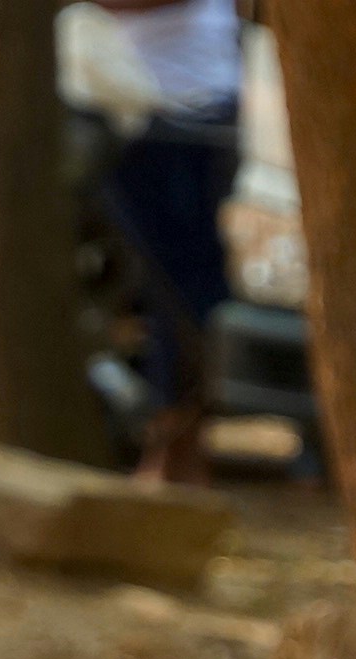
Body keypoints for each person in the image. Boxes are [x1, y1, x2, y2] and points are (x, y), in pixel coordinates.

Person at [92, 0, 241, 486]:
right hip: (140, 114)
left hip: (190, 120)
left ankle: (182, 438)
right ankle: (172, 436)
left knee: (185, 288)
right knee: (160, 291)